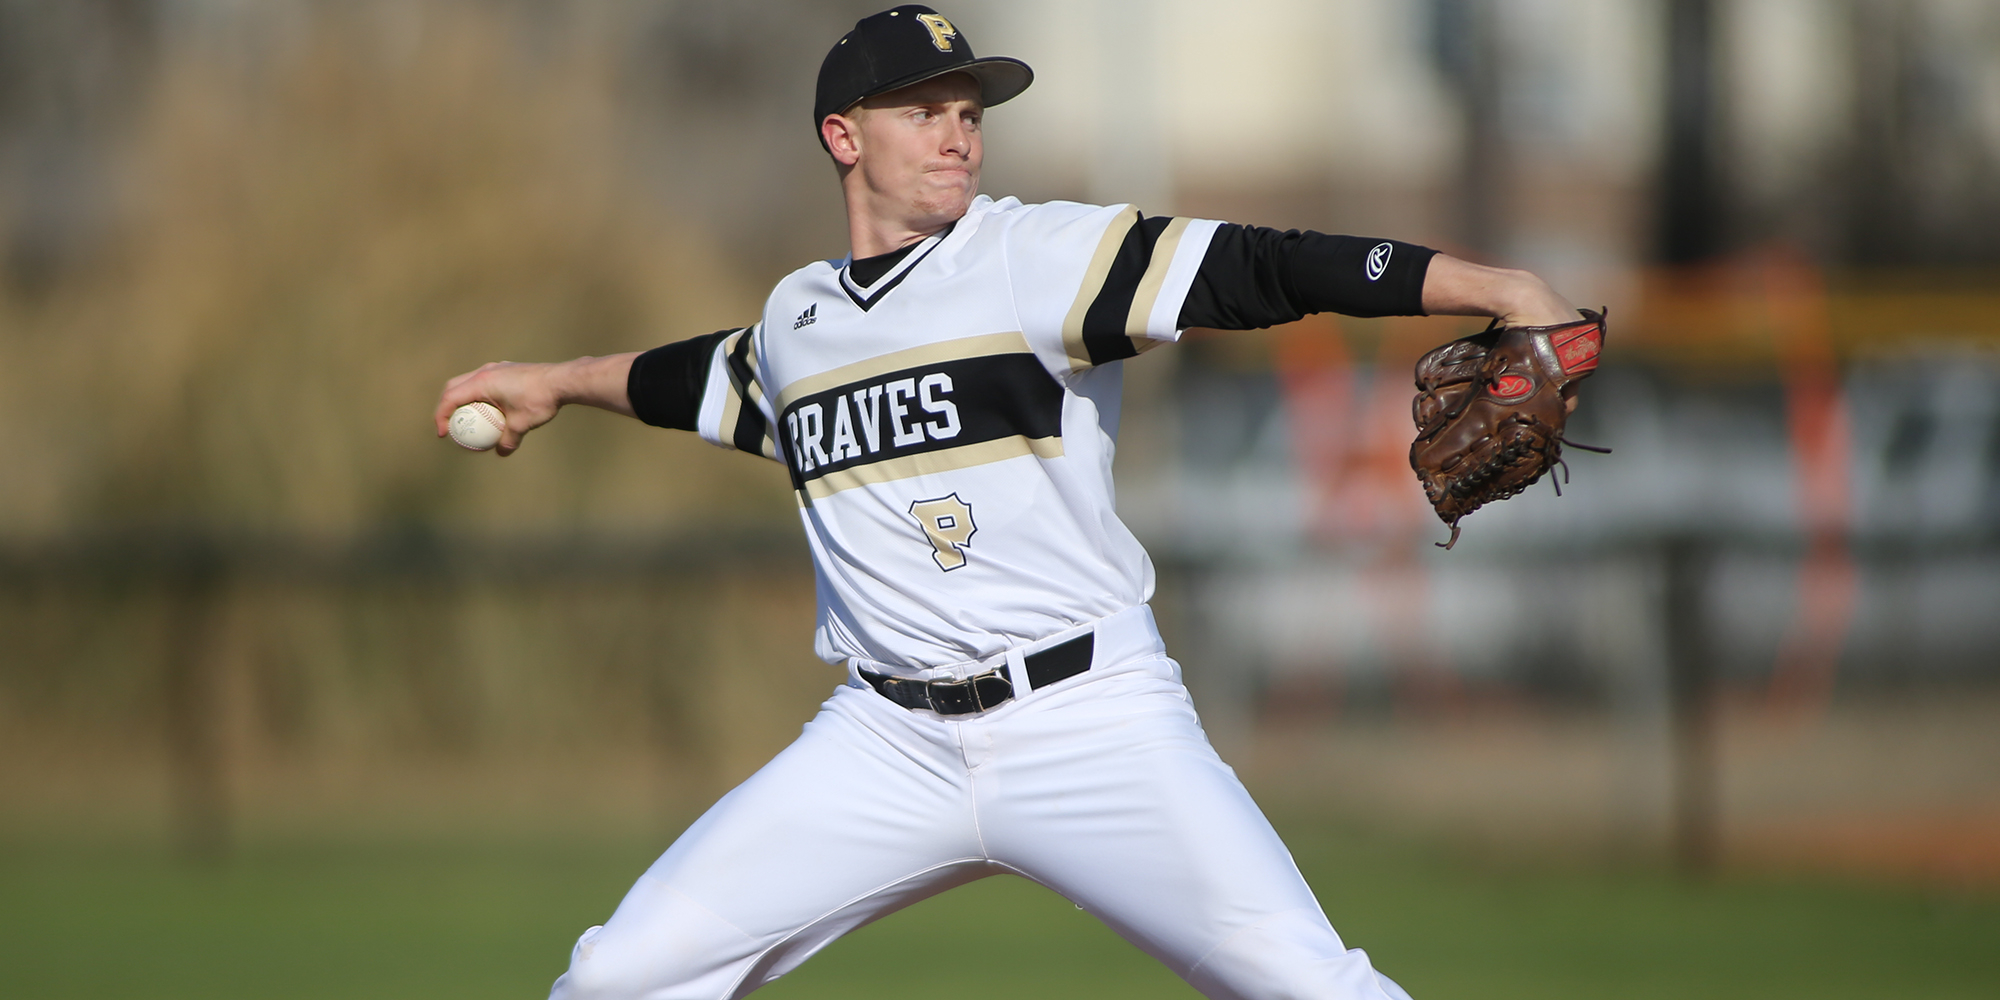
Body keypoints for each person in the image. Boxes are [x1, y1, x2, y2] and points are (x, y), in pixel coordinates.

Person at [434, 7, 1581, 999]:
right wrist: (554, 383)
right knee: (617, 976)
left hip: (1088, 721)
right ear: (842, 136)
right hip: (885, 740)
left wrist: (1491, 286)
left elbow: (1262, 266)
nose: (958, 134)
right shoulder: (797, 322)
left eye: (968, 112)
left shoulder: (1037, 256)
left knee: (1307, 981)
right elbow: (692, 378)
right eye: (921, 112)